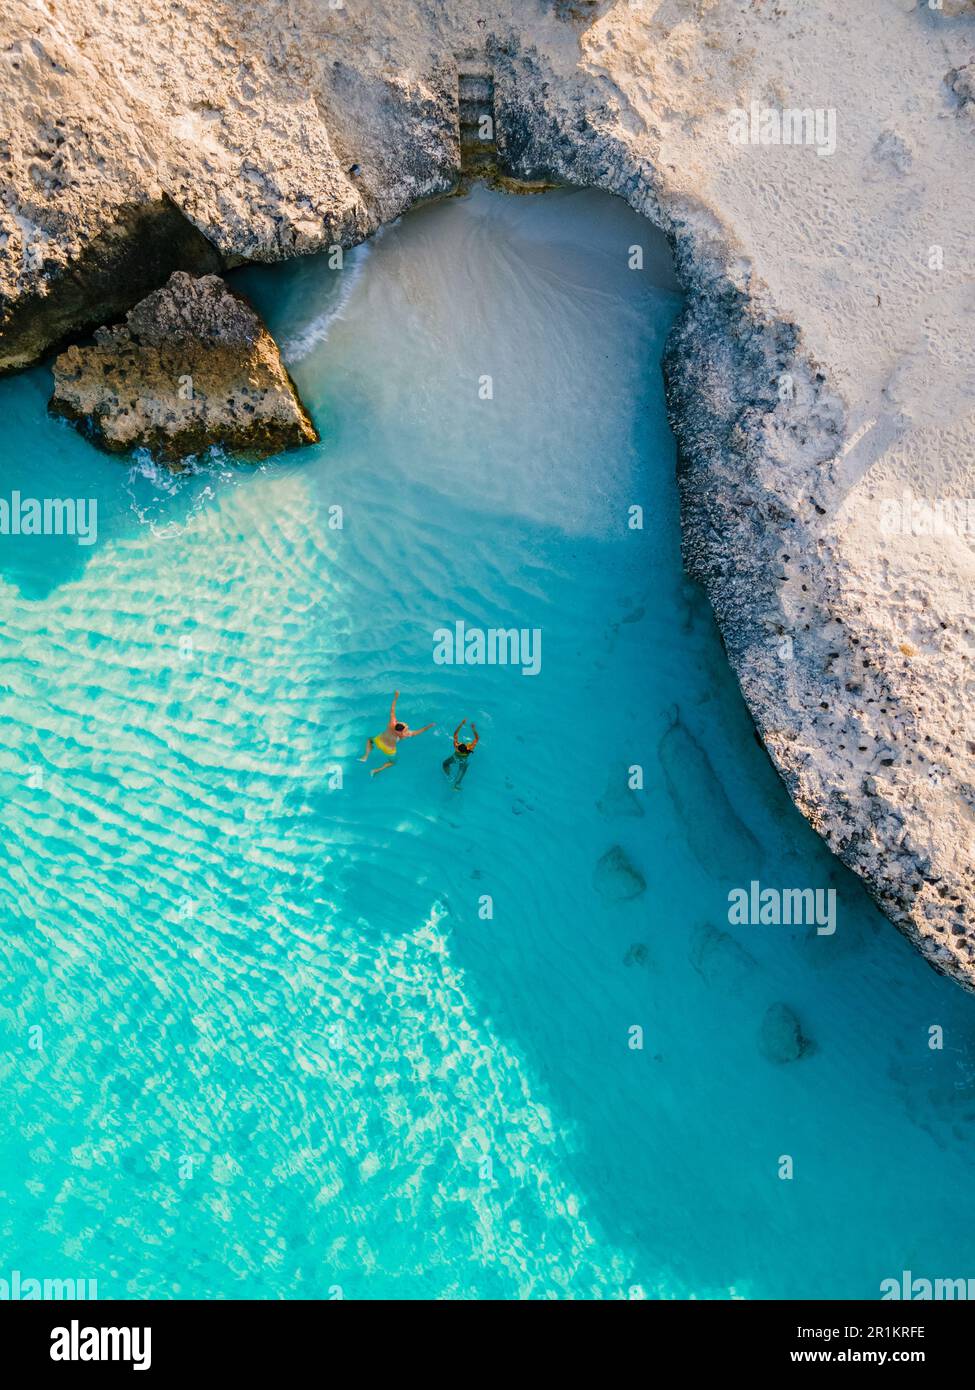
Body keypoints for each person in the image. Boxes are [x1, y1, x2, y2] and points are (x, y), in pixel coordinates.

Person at [359, 691, 433, 776]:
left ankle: (365, 756)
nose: (406, 725)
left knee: (369, 740)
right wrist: (428, 727)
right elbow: (417, 732)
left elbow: (392, 710)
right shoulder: (404, 734)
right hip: (389, 750)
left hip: (379, 740)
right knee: (393, 762)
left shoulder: (392, 724)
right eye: (406, 726)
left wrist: (396, 697)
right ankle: (376, 770)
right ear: (402, 731)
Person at [442, 719, 479, 790]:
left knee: (445, 764)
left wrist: (461, 724)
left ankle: (449, 776)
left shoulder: (456, 747)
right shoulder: (469, 748)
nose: (459, 743)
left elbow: (455, 734)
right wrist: (473, 729)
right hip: (463, 760)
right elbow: (477, 738)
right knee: (463, 770)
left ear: (458, 748)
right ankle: (457, 784)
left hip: (455, 758)